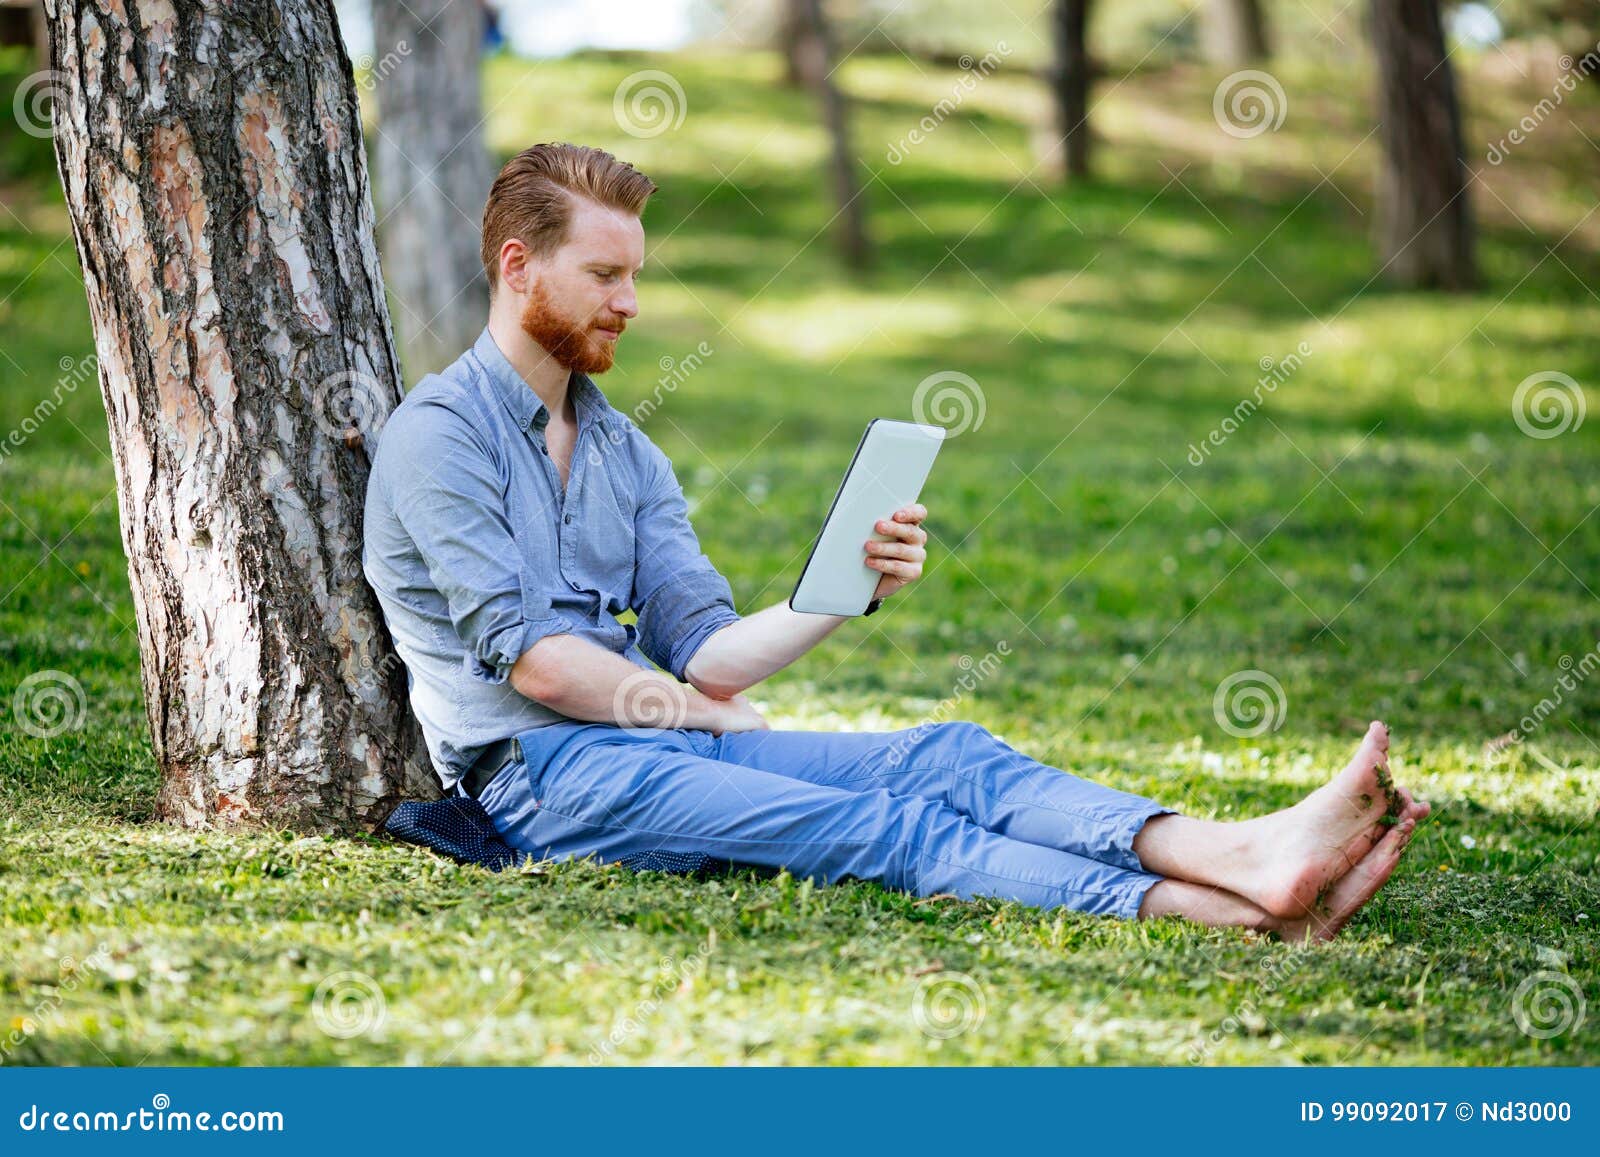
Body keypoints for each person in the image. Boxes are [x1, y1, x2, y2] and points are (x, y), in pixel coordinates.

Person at [362, 143, 1429, 943]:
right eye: (605, 274)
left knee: (947, 757)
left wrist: (841, 591)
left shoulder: (623, 449)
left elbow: (706, 648)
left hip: (665, 743)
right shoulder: (439, 437)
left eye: (636, 274)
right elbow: (540, 661)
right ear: (518, 265)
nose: (632, 301)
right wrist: (696, 709)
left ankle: (1245, 868)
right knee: (887, 829)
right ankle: (1229, 905)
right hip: (547, 778)